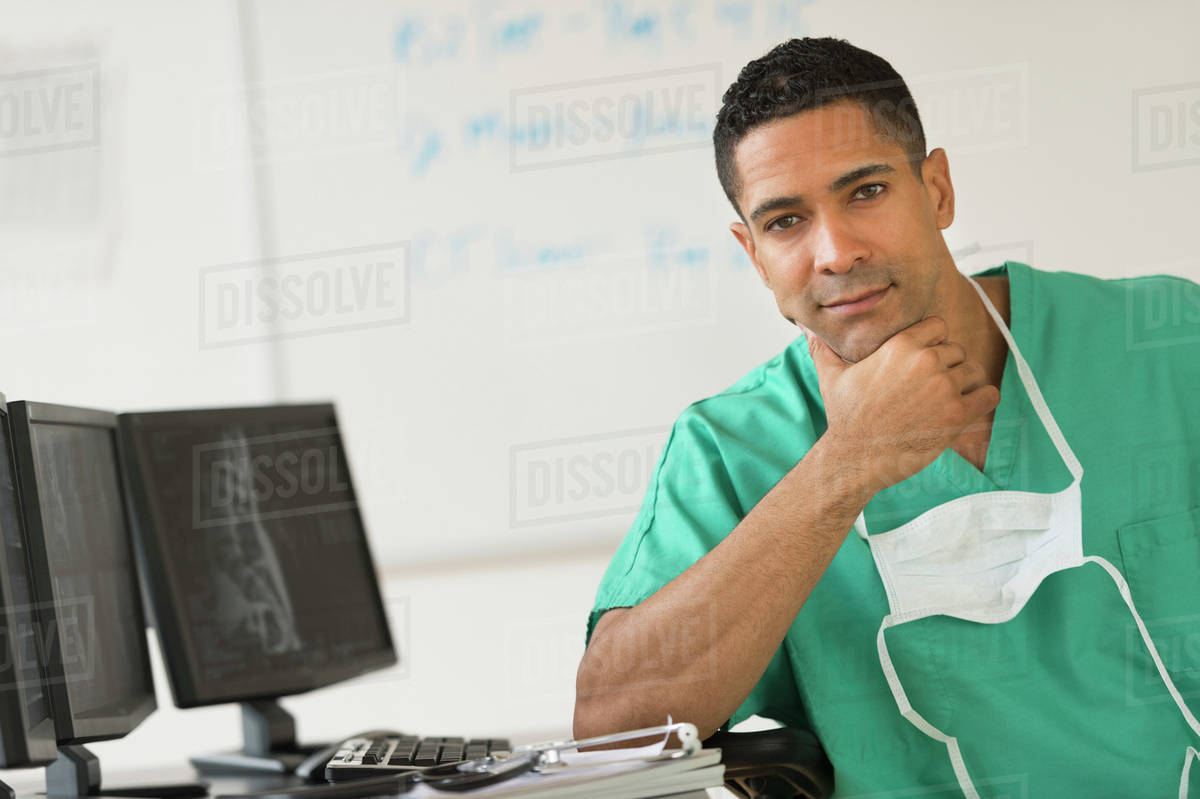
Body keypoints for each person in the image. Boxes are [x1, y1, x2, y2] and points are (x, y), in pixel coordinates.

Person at [574, 37, 1200, 797]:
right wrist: (849, 463)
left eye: (866, 191)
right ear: (751, 252)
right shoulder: (730, 450)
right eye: (785, 222)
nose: (834, 252)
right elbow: (615, 736)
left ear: (936, 189)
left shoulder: (1168, 344)